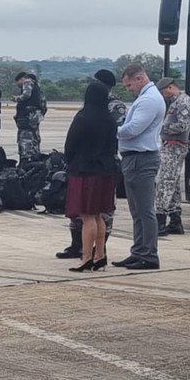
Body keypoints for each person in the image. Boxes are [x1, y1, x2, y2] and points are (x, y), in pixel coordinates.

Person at [58, 69, 119, 260]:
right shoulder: (110, 118)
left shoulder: (83, 117)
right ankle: (100, 255)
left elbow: (70, 145)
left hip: (84, 171)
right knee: (100, 215)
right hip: (105, 171)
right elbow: (113, 145)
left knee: (87, 216)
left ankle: (85, 257)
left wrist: (71, 162)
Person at [113, 64, 164, 270]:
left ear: (140, 78)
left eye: (129, 85)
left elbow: (134, 129)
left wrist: (111, 130)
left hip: (141, 158)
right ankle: (139, 251)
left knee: (145, 210)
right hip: (135, 158)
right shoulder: (146, 98)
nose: (129, 90)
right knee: (137, 210)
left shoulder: (149, 100)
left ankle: (149, 255)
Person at [156, 78, 190, 236]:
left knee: (165, 182)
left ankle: (159, 220)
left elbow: (182, 125)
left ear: (170, 87)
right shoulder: (175, 102)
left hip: (175, 146)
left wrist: (161, 127)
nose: (162, 95)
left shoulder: (183, 101)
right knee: (173, 184)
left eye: (163, 91)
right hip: (171, 145)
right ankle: (175, 220)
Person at [12, 71, 45, 161]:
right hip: (34, 117)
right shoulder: (37, 88)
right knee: (34, 138)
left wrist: (16, 98)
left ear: (22, 79)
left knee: (25, 139)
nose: (18, 85)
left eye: (18, 82)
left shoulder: (27, 82)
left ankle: (27, 160)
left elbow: (26, 95)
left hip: (27, 117)